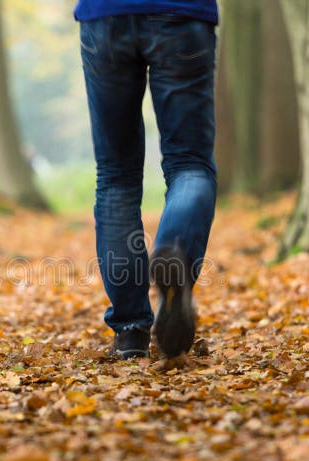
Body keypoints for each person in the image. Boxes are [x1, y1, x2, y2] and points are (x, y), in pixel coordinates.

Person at [75, 0, 219, 359]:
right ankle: (176, 253)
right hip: (182, 13)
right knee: (191, 164)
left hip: (105, 15)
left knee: (115, 178)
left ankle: (130, 332)